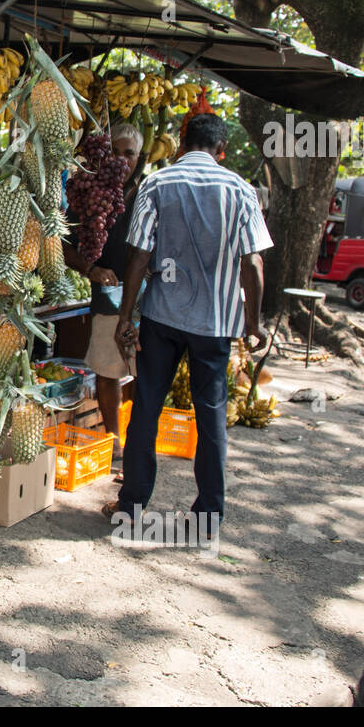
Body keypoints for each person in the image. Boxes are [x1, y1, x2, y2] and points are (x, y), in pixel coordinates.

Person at [104, 112, 271, 524]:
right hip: (215, 324)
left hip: (162, 318)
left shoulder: (157, 183)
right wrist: (253, 324)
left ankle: (132, 505)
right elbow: (252, 263)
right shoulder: (241, 190)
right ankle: (209, 514)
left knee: (146, 409)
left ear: (181, 144)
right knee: (211, 413)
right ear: (222, 151)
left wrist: (126, 316)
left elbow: (139, 256)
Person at [64, 122, 143, 469]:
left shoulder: (148, 195)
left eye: (130, 154)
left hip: (145, 299)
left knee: (145, 373)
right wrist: (91, 270)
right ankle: (114, 442)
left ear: (139, 158)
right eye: (116, 152)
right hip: (107, 296)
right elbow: (64, 245)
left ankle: (140, 440)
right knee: (108, 372)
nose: (122, 160)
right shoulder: (88, 194)